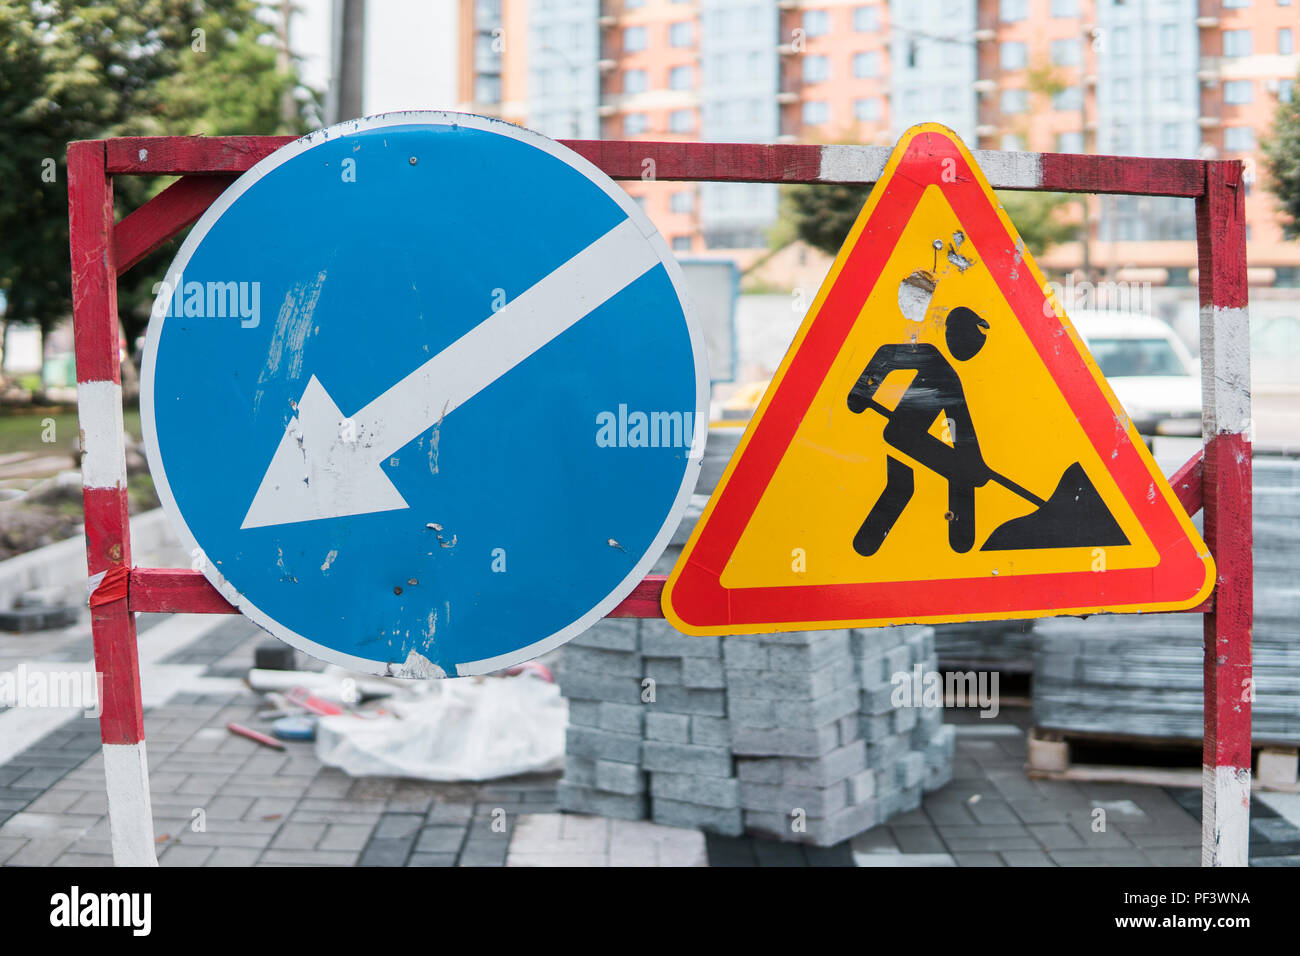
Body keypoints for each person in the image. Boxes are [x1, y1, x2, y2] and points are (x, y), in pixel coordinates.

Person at [846, 306, 992, 556]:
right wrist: (860, 394)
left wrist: (974, 463)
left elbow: (961, 425)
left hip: (907, 435)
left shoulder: (951, 375)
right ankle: (866, 545)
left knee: (954, 475)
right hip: (902, 433)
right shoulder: (932, 358)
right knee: (907, 484)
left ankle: (961, 540)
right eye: (972, 337)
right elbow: (886, 356)